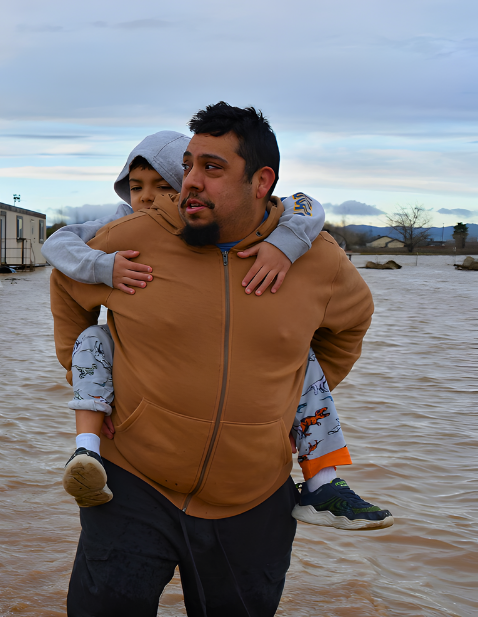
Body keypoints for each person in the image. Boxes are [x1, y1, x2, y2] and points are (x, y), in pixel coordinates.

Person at [49, 102, 376, 617]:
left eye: (212, 168)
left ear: (261, 181)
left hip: (253, 497)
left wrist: (278, 400)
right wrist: (104, 392)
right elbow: (66, 286)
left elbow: (351, 324)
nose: (190, 183)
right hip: (132, 485)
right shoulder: (135, 240)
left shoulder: (315, 258)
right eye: (189, 164)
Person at [44, 131, 391, 531]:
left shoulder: (300, 245)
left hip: (254, 491)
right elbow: (62, 257)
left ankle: (323, 483)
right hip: (135, 477)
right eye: (136, 188)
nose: (146, 198)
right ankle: (86, 451)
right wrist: (101, 269)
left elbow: (308, 209)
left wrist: (280, 404)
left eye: (162, 187)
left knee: (303, 358)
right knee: (93, 340)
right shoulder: (125, 234)